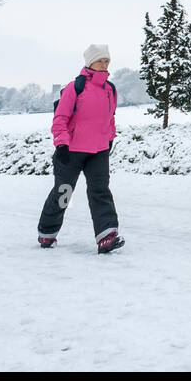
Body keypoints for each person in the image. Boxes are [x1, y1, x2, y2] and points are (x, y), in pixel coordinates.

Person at [36, 43, 124, 253]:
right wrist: (62, 144)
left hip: (99, 151)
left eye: (107, 61)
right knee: (64, 192)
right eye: (100, 60)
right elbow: (60, 118)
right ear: (90, 62)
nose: (104, 64)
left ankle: (107, 236)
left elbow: (110, 118)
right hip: (71, 151)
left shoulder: (110, 89)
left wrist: (109, 139)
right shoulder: (75, 87)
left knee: (100, 191)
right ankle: (47, 233)